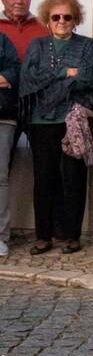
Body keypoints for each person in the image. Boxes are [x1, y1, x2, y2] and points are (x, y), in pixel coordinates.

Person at [18, 0, 93, 254]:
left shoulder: (88, 46)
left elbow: (90, 78)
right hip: (41, 121)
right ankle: (43, 236)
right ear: (47, 19)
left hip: (73, 121)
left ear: (75, 19)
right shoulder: (37, 45)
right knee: (44, 179)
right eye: (56, 17)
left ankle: (71, 236)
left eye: (67, 17)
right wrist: (65, 73)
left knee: (73, 179)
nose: (62, 21)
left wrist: (55, 79)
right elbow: (29, 79)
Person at [0, 30, 21, 260]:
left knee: (0, 178)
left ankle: (0, 236)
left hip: (2, 117)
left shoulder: (3, 40)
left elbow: (14, 73)